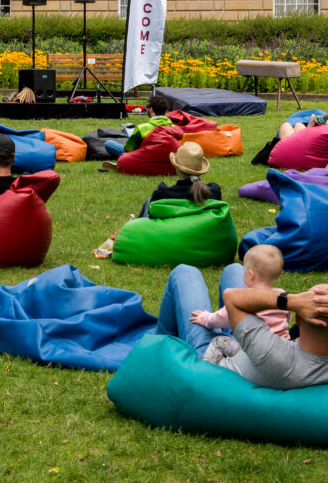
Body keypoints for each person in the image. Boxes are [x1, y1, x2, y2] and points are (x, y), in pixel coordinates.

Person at [155, 264, 328, 389]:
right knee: (236, 269)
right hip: (244, 348)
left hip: (213, 358)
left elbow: (232, 298)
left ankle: (161, 347)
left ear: (298, 319)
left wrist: (290, 300)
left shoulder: (276, 355)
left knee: (185, 272)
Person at [94, 142, 222, 257]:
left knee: (150, 201)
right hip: (200, 242)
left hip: (170, 240)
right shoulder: (214, 192)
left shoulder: (163, 193)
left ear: (176, 167)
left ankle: (133, 235)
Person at [191, 245, 291, 364]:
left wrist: (205, 318)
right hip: (281, 347)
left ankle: (208, 366)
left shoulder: (245, 298)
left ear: (251, 274)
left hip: (249, 351)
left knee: (218, 342)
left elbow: (221, 317)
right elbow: (287, 319)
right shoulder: (282, 296)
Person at [103, 93, 173, 164]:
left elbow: (128, 148)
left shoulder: (142, 128)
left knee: (108, 144)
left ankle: (123, 160)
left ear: (151, 110)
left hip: (143, 158)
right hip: (165, 157)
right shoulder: (173, 127)